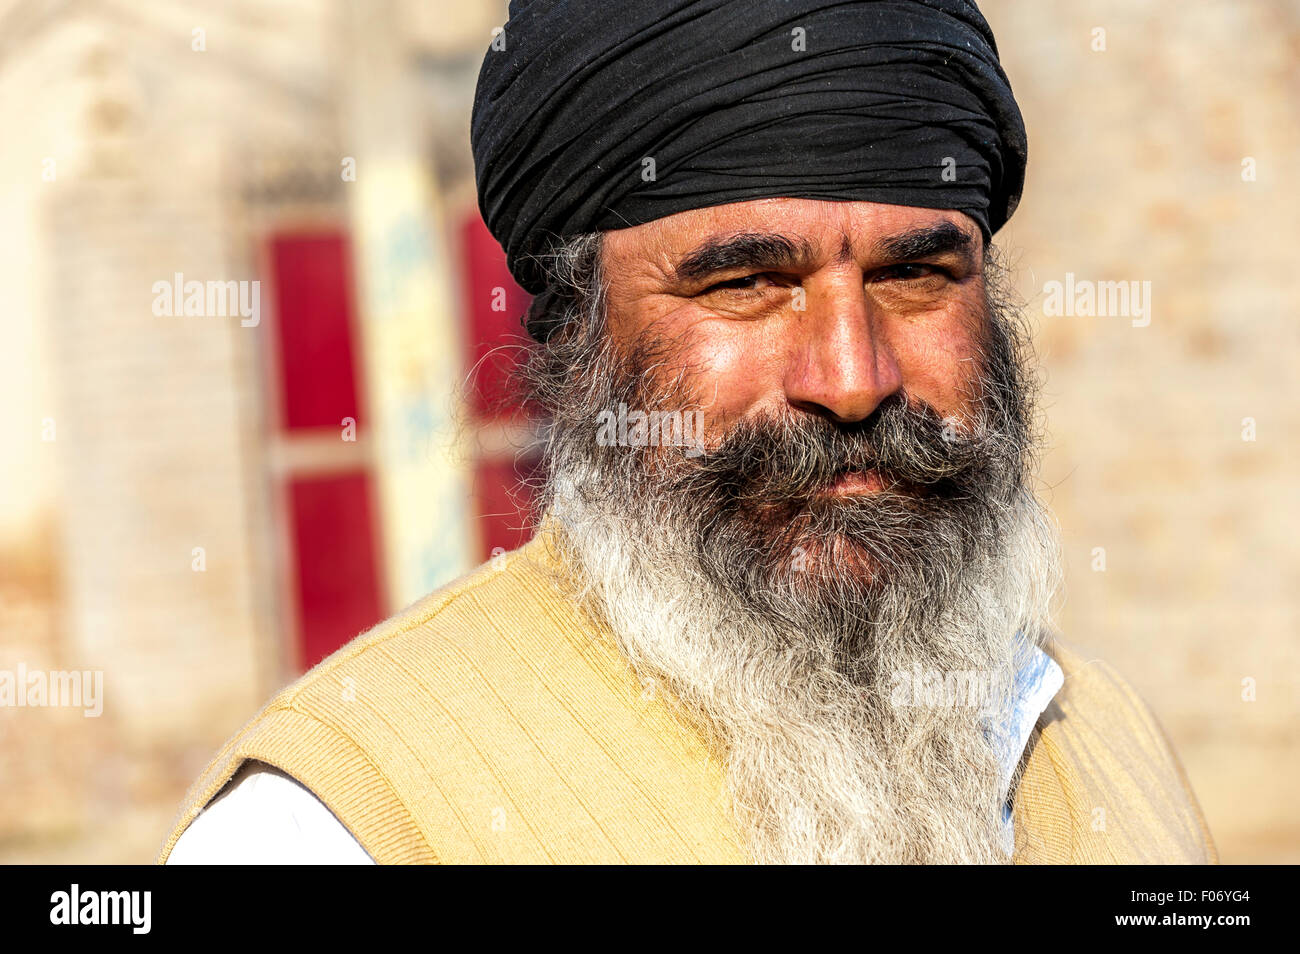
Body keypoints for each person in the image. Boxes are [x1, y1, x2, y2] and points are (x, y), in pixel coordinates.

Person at [161, 0, 1216, 865]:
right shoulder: (340, 825)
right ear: (578, 341)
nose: (851, 380)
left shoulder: (1103, 739)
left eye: (912, 276)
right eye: (749, 283)